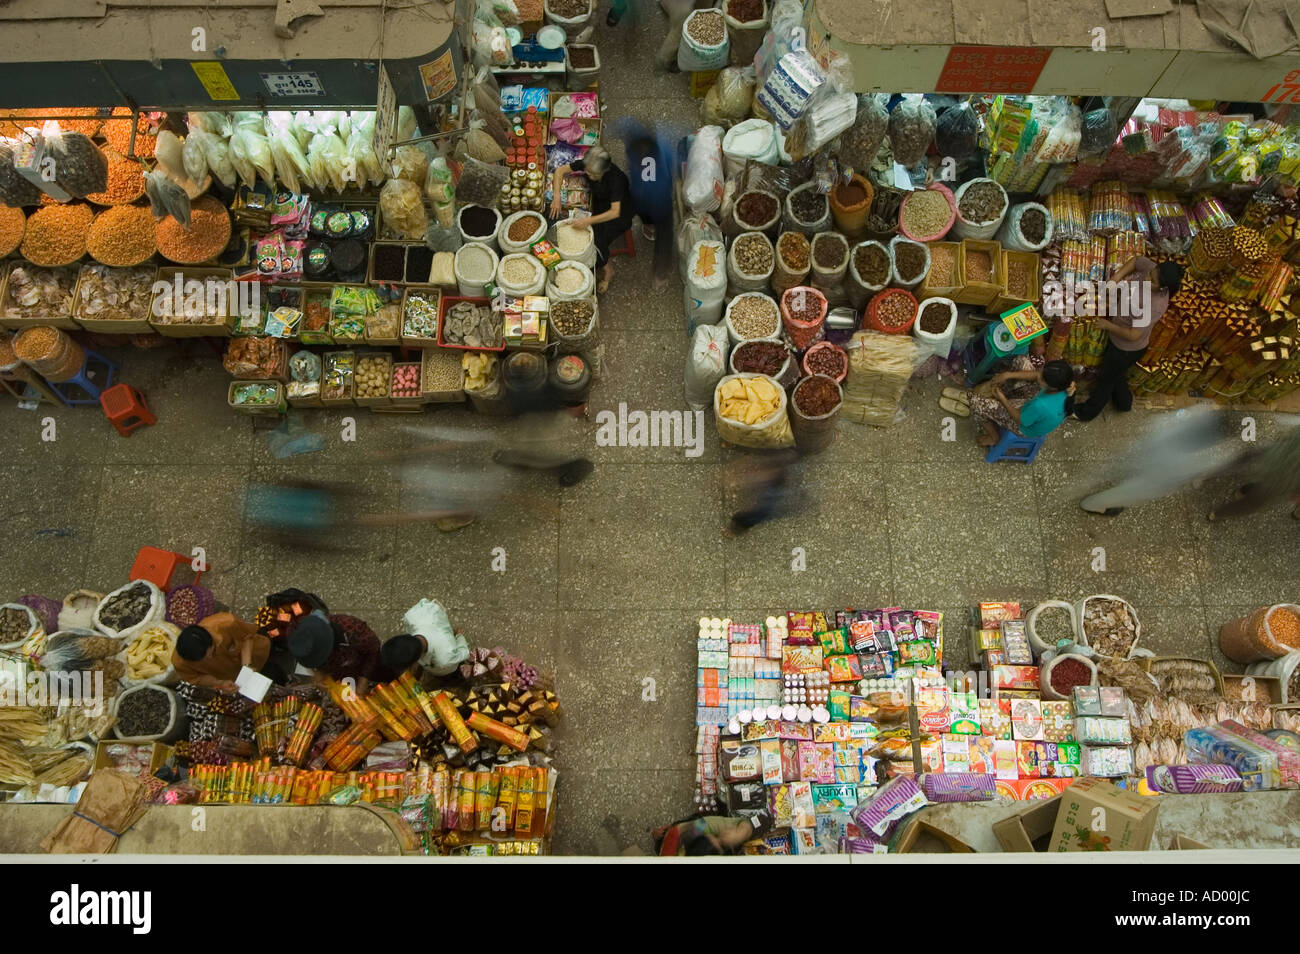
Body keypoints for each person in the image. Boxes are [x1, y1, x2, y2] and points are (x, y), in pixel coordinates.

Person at [1072, 256, 1184, 422]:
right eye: (1150, 274)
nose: (1147, 278)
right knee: (1116, 374)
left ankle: (1087, 412)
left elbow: (1133, 335)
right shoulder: (1153, 271)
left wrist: (1108, 326)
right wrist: (1115, 278)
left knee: (1106, 380)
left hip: (1125, 348)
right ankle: (1124, 403)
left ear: (1162, 288)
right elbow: (1136, 261)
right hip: (1123, 343)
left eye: (1152, 280)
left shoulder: (1153, 305)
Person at [1079, 406, 1232, 516]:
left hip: (1143, 453)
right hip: (1152, 477)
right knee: (1122, 494)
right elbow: (1182, 478)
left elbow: (1172, 417)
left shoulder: (1197, 414)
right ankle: (1091, 504)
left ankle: (1093, 487)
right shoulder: (1197, 460)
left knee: (1117, 472)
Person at [549, 145, 635, 293]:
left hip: (619, 215)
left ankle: (608, 271)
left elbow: (615, 212)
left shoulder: (617, 180)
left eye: (593, 174)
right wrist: (556, 197)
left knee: (595, 243)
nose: (588, 174)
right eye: (587, 171)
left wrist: (587, 221)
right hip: (600, 202)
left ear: (604, 171)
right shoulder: (590, 164)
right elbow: (560, 170)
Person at [612, 117, 678, 286]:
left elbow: (623, 125)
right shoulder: (663, 147)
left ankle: (649, 227)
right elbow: (672, 169)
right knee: (665, 236)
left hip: (640, 200)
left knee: (647, 218)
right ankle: (660, 274)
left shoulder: (633, 145)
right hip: (661, 202)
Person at [968, 358, 1075, 447]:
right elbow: (1037, 375)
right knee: (1021, 361)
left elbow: (1020, 419)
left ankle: (993, 437)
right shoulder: (1067, 386)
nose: (1039, 375)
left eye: (1042, 378)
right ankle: (1006, 390)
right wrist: (1007, 375)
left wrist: (1002, 399)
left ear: (1052, 387)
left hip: (1023, 426)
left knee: (974, 400)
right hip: (1034, 409)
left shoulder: (1040, 404)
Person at [1207, 425, 1300, 522]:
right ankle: (1218, 513)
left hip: (1280, 453)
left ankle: (1210, 473)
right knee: (1255, 501)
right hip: (1284, 476)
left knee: (1243, 461)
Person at [287, 610, 390, 694]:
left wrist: (363, 681)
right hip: (338, 675)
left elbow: (373, 650)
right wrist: (316, 672)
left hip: (359, 666)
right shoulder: (296, 631)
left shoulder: (353, 631)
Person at [172, 612, 274, 690]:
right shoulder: (179, 662)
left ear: (211, 642)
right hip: (232, 676)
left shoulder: (227, 623)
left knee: (273, 670)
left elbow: (247, 637)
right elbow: (197, 678)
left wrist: (247, 666)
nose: (209, 659)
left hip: (256, 654)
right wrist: (219, 683)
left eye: (209, 654)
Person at [380, 598, 469, 677]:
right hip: (440, 625)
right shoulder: (412, 616)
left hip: (444, 670)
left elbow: (464, 652)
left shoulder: (444, 659)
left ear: (415, 662)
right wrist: (457, 635)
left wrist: (459, 637)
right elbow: (425, 602)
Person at [725, 448, 800, 536]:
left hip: (774, 487)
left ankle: (741, 525)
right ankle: (741, 523)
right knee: (764, 506)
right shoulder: (776, 465)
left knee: (762, 509)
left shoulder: (772, 490)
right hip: (775, 481)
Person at [653, 813, 770, 856]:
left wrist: (740, 833)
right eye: (718, 846)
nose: (719, 838)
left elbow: (759, 821)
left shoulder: (687, 832)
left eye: (713, 837)